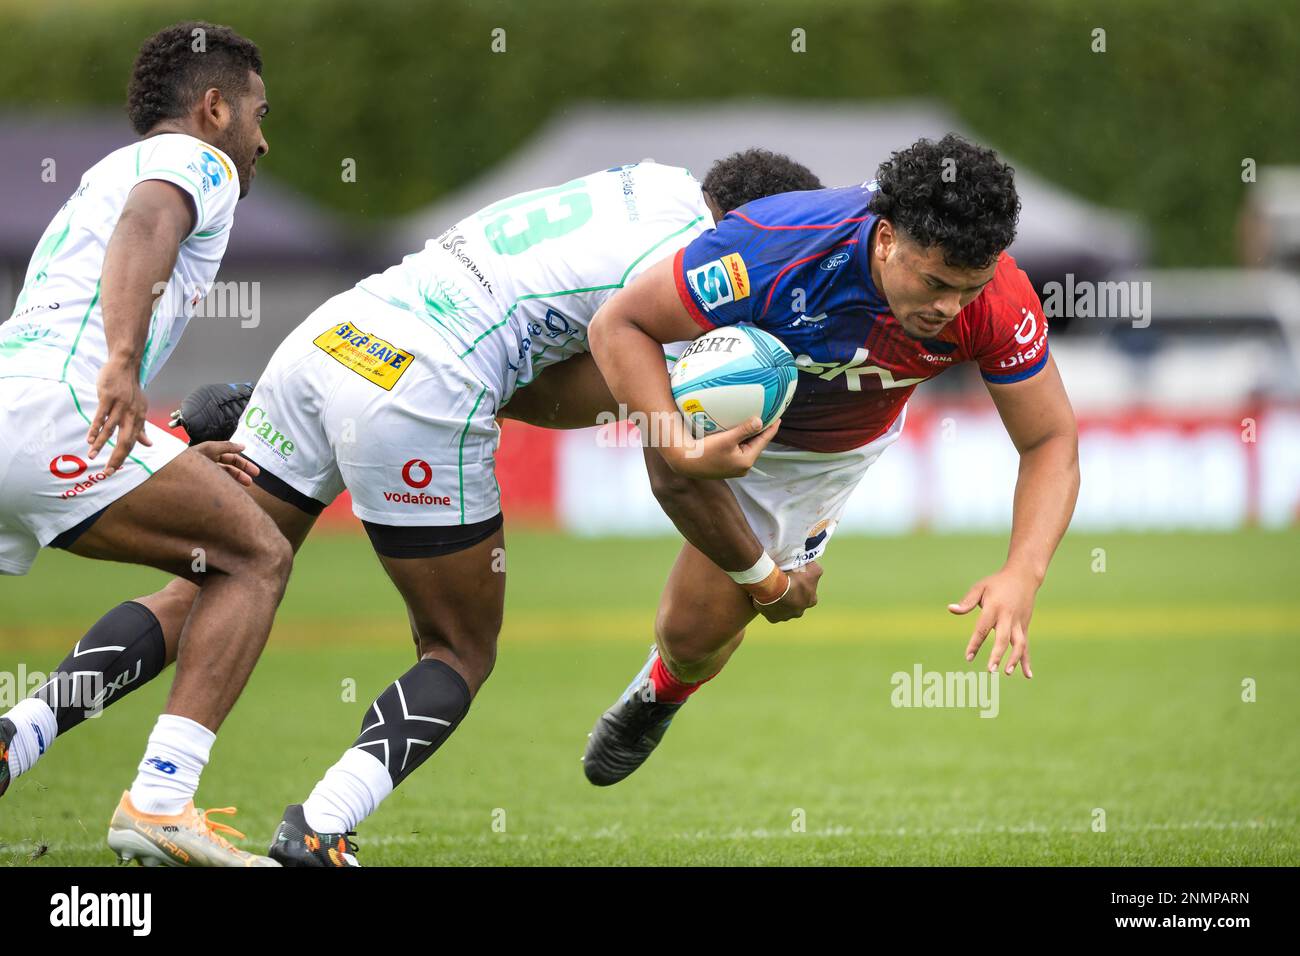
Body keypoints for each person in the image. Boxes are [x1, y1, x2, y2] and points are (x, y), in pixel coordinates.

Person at [2, 150, 822, 866]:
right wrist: (748, 547)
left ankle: (21, 735)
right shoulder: (690, 269)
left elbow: (543, 346)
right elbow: (630, 443)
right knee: (459, 646)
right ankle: (321, 830)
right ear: (751, 227)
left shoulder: (644, 184)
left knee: (206, 581)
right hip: (423, 382)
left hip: (335, 335)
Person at [577, 133, 1080, 784]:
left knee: (692, 634)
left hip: (823, 454)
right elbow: (619, 325)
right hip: (714, 396)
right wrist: (674, 438)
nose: (949, 309)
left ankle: (664, 688)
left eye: (968, 288)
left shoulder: (998, 299)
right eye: (933, 284)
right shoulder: (773, 246)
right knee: (571, 403)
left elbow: (1050, 441)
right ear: (885, 239)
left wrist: (1023, 572)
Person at [0, 22, 286, 866]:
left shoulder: (100, 173)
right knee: (253, 558)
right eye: (258, 113)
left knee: (212, 551)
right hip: (54, 410)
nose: (263, 138)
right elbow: (147, 226)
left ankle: (20, 739)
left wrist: (160, 447)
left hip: (17, 405)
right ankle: (161, 801)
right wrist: (124, 366)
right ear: (212, 108)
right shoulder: (197, 163)